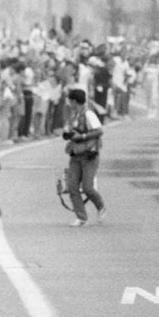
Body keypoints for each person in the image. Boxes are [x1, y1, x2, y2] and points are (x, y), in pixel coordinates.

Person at [62, 88, 106, 227]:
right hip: (75, 154)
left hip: (89, 155)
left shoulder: (88, 114)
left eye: (70, 101)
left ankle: (100, 206)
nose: (69, 104)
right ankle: (81, 217)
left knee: (88, 187)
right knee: (72, 187)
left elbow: (99, 131)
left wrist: (82, 136)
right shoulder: (74, 116)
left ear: (74, 101)